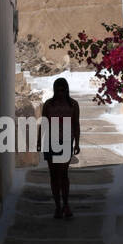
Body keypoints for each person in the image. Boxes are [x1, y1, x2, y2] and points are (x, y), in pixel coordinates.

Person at [40, 77, 81, 219]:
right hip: (50, 143)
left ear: (67, 90)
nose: (60, 93)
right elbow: (44, 124)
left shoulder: (73, 105)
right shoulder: (48, 105)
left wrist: (77, 143)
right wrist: (39, 141)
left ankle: (66, 205)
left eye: (63, 90)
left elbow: (76, 124)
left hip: (66, 142)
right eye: (58, 90)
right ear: (54, 90)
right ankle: (57, 207)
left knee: (63, 175)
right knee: (53, 175)